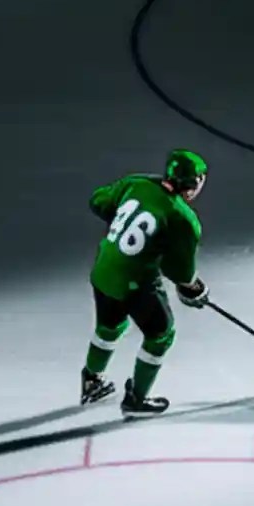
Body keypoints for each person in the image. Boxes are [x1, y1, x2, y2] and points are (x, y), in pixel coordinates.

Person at [80, 149, 210, 415]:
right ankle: (136, 399)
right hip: (136, 282)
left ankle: (91, 381)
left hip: (104, 270)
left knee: (110, 325)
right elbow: (181, 272)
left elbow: (98, 200)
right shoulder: (184, 219)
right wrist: (194, 289)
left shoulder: (136, 183)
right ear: (194, 183)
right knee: (161, 334)